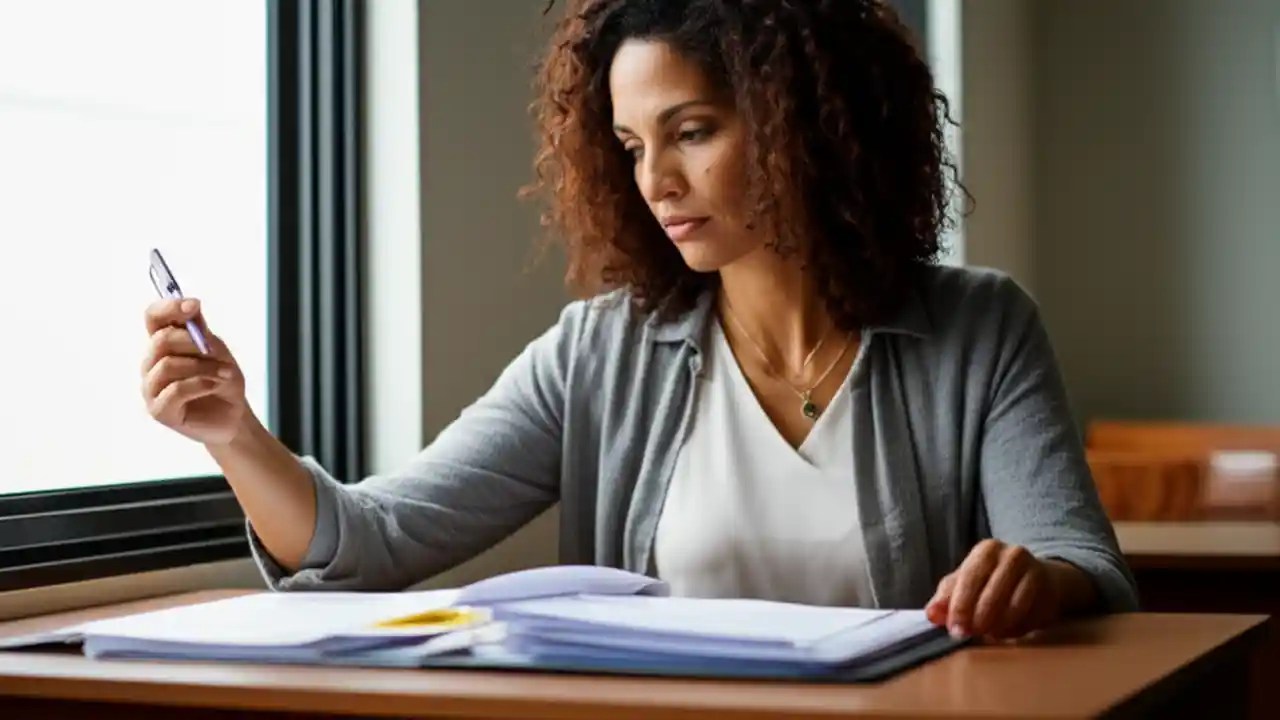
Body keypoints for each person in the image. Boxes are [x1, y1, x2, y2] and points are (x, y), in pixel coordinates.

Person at [139, 0, 1137, 642]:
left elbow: (1083, 563)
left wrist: (1033, 581)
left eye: (691, 133)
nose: (654, 182)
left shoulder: (978, 327)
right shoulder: (597, 352)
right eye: (627, 145)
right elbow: (371, 541)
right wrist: (233, 433)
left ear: (808, 126)